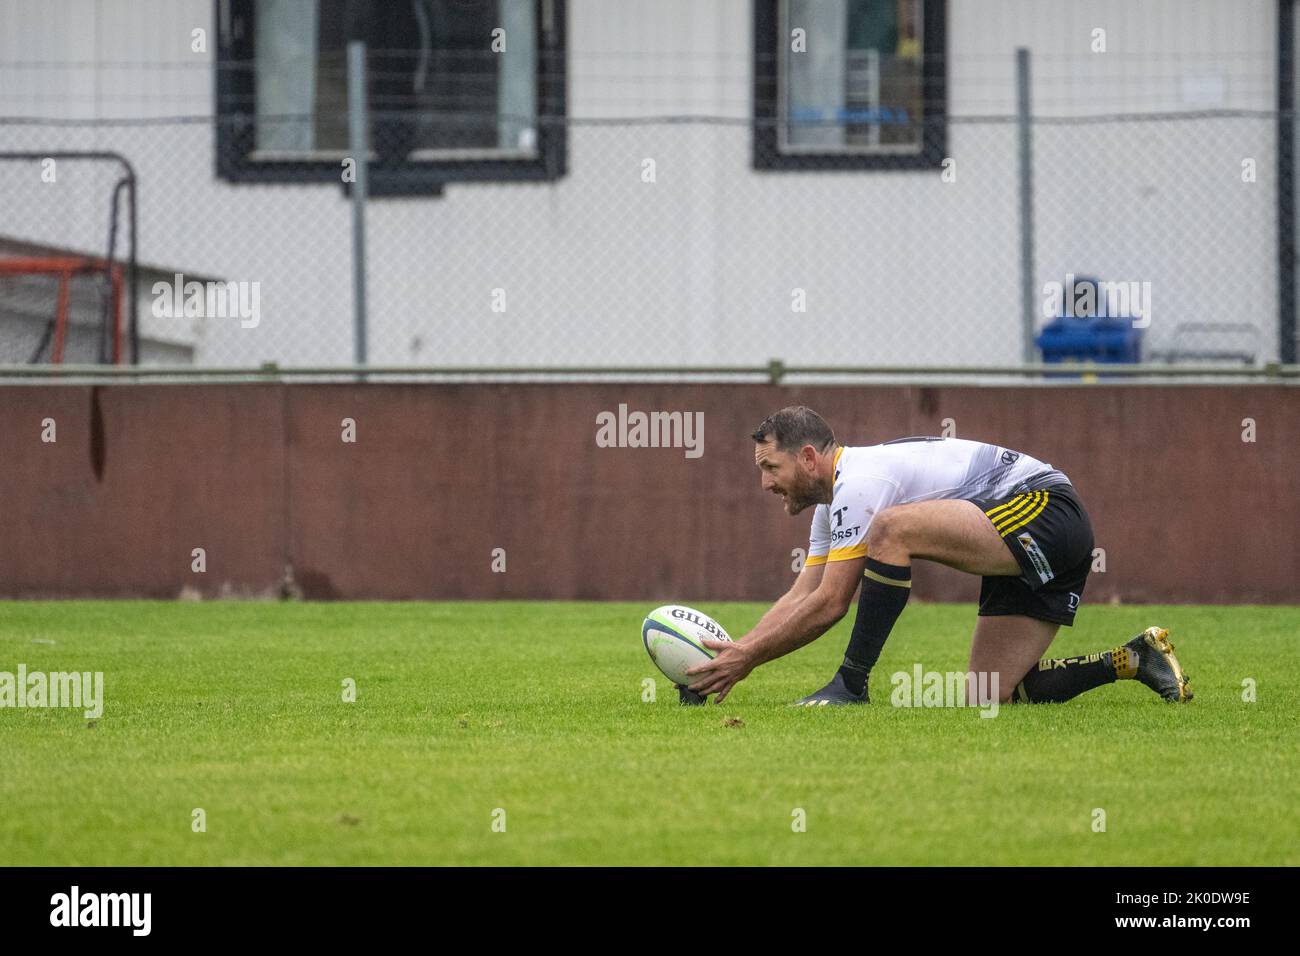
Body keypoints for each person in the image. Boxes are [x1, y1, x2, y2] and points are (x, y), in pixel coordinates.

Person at [681, 405, 1192, 707]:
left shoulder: (860, 484)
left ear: (808, 457)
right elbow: (804, 595)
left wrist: (747, 661)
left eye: (771, 468)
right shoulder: (835, 501)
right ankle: (1133, 660)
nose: (765, 483)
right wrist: (729, 658)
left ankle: (851, 684)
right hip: (1013, 525)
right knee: (991, 692)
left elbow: (832, 603)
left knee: (892, 529)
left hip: (1045, 508)